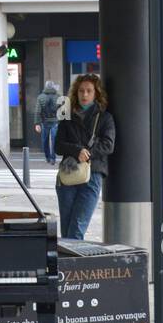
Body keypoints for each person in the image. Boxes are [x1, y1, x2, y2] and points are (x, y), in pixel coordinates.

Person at [54, 73, 116, 240]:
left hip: (92, 175)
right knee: (66, 230)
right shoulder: (67, 117)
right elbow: (58, 146)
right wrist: (76, 150)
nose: (85, 95)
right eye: (81, 91)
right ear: (76, 93)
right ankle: (65, 265)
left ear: (96, 94)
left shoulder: (105, 118)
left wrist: (87, 153)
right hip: (68, 175)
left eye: (89, 91)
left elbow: (108, 145)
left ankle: (71, 266)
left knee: (76, 229)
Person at [35, 80, 61, 164]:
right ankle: (53, 158)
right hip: (55, 122)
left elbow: (37, 111)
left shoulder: (40, 97)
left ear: (45, 87)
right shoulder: (58, 96)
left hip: (44, 122)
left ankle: (47, 157)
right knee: (54, 140)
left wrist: (37, 123)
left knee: (45, 140)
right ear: (53, 87)